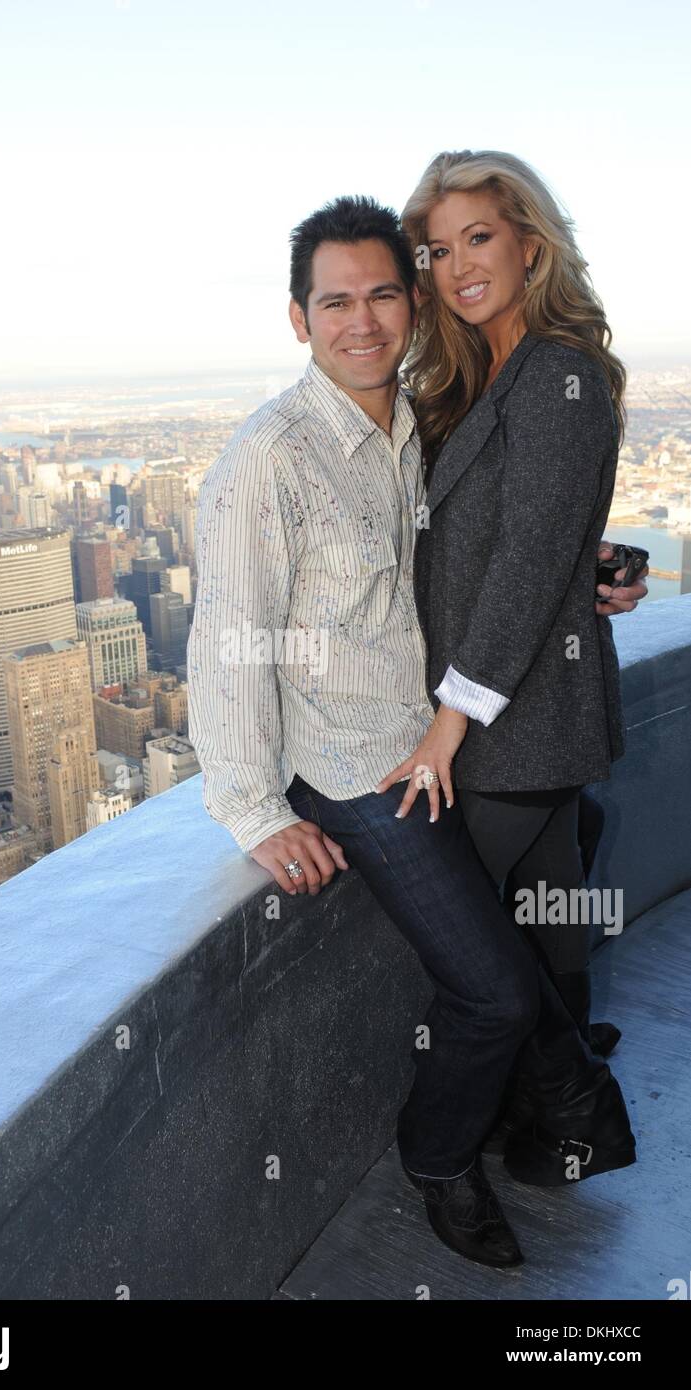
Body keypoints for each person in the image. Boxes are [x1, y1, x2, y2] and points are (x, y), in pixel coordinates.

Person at [186, 195, 644, 1270]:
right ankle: (439, 1157)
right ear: (298, 319)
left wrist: (586, 573)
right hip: (357, 767)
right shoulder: (269, 459)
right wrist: (252, 810)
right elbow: (230, 644)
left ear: (411, 297)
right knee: (488, 988)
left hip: (441, 741)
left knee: (538, 912)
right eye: (333, 301)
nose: (361, 320)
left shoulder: (414, 420)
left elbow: (480, 555)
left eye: (383, 292)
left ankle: (557, 1064)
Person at [385, 150, 636, 1148]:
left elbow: (526, 563)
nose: (454, 266)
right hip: (527, 722)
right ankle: (555, 1112)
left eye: (476, 237)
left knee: (469, 949)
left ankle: (503, 1128)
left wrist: (444, 729)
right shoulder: (472, 373)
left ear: (529, 243)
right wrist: (598, 563)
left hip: (509, 725)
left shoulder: (559, 375)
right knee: (543, 913)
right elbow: (511, 542)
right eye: (436, 249)